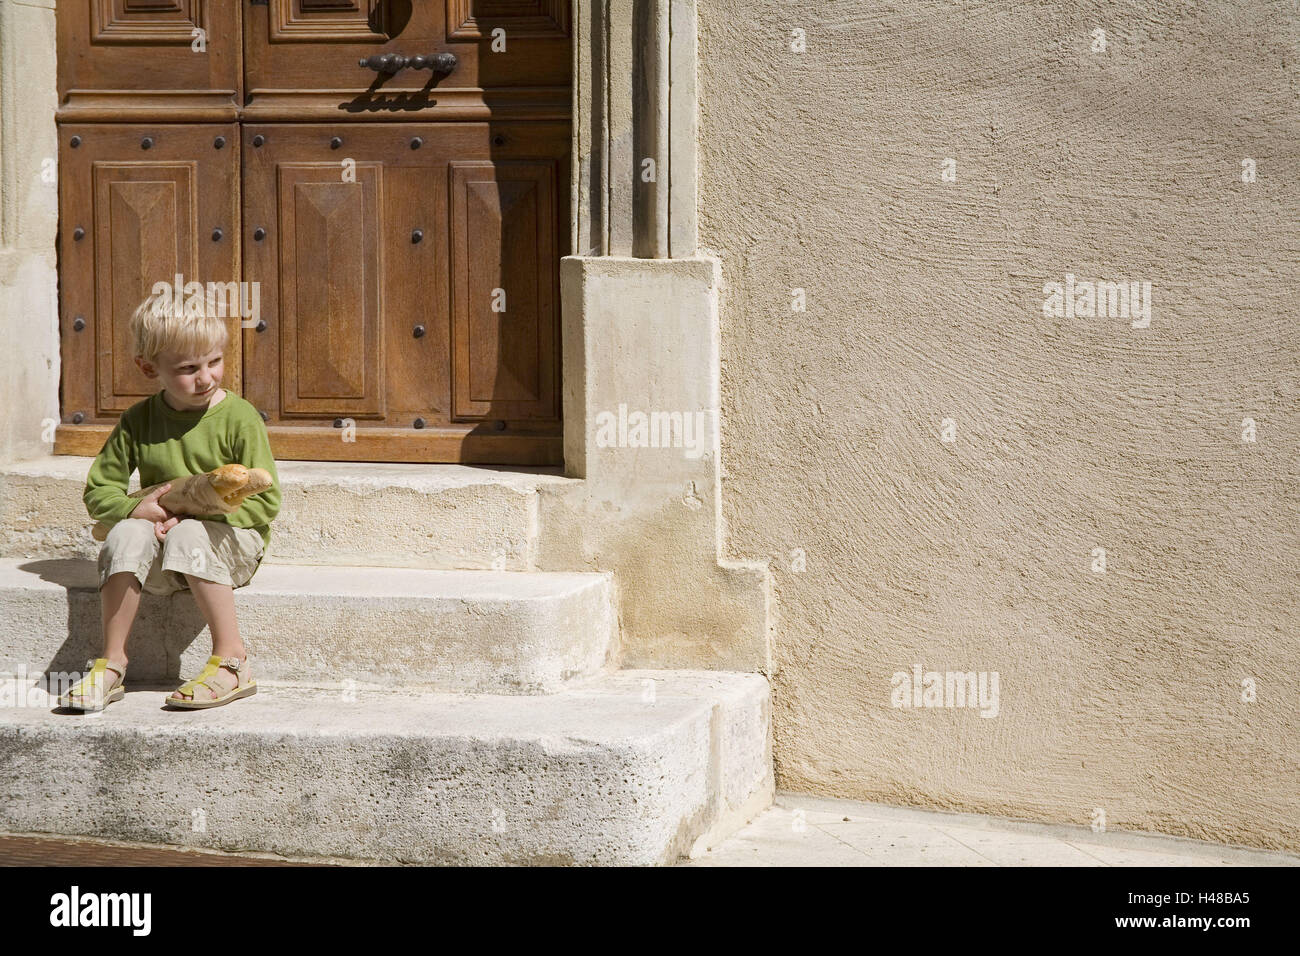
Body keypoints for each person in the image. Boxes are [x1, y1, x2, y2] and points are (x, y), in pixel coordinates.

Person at [61, 286, 280, 711]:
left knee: (191, 534)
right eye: (188, 367)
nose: (206, 377)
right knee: (125, 534)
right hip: (163, 552)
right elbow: (99, 490)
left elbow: (266, 503)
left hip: (228, 548)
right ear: (148, 367)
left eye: (215, 362)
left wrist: (201, 514)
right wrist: (135, 509)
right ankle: (112, 663)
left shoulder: (240, 418)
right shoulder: (138, 420)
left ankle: (232, 661)